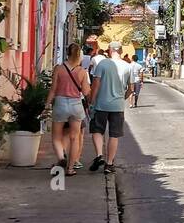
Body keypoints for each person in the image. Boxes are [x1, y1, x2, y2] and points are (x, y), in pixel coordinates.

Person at [88, 40, 128, 173]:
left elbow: (96, 83)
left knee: (97, 130)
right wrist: (123, 97)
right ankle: (109, 164)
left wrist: (91, 101)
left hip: (101, 104)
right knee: (114, 135)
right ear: (121, 51)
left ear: (110, 51)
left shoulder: (103, 63)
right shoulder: (127, 66)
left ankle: (99, 155)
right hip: (118, 106)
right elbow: (131, 88)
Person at [49, 42, 90, 174]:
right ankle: (71, 168)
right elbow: (85, 92)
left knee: (56, 136)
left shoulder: (59, 69)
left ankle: (61, 157)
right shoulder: (82, 72)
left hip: (60, 104)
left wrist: (46, 105)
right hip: (76, 105)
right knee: (75, 137)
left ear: (67, 53)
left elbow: (53, 90)